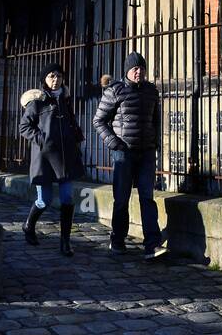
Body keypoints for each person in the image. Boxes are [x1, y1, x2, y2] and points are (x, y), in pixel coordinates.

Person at [92, 52, 163, 259]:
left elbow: (155, 120)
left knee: (147, 198)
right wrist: (115, 144)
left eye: (141, 68)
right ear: (127, 71)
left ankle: (153, 245)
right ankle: (118, 239)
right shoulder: (115, 90)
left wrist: (155, 143)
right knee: (121, 199)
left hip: (147, 153)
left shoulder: (151, 91)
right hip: (124, 154)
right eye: (134, 69)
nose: (138, 72)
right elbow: (99, 121)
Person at [19, 62, 86, 255]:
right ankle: (29, 225)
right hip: (45, 158)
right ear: (45, 80)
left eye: (58, 76)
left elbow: (71, 121)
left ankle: (65, 242)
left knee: (67, 199)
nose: (56, 80)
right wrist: (43, 139)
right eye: (51, 76)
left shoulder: (65, 99)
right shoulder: (37, 101)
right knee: (44, 200)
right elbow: (24, 127)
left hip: (65, 158)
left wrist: (75, 137)